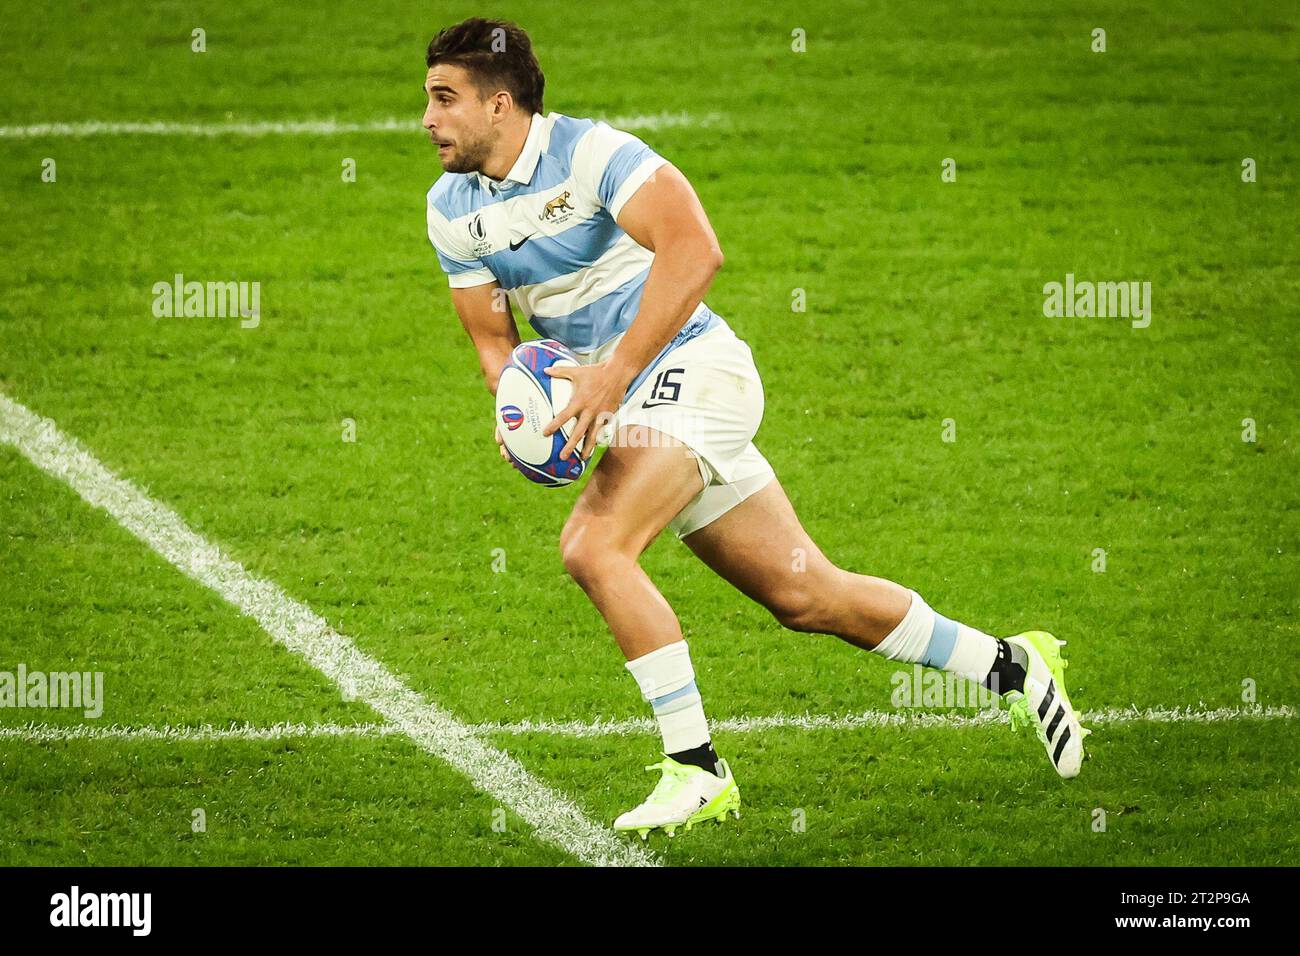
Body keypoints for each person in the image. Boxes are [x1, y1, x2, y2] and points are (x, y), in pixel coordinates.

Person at [422, 17, 1088, 840]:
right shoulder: (451, 207)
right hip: (634, 400)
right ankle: (1013, 666)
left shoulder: (591, 155)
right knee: (807, 596)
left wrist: (612, 376)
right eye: (427, 99)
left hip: (699, 371)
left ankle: (696, 771)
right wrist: (519, 413)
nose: (428, 119)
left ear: (499, 104)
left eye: (444, 99)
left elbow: (695, 250)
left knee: (593, 548)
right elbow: (494, 340)